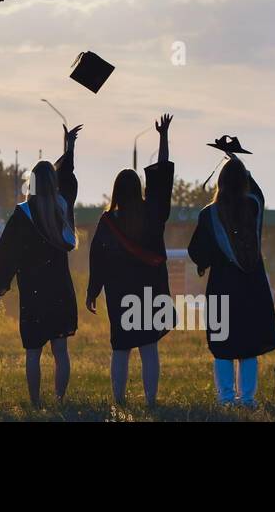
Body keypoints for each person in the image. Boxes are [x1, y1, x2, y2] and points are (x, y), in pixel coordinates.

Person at [0, 123, 82, 408]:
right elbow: (67, 179)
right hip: (60, 288)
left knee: (33, 351)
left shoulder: (22, 214)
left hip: (33, 291)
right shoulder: (62, 208)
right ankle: (60, 399)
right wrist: (69, 148)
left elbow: (6, 253)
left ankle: (36, 401)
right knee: (61, 350)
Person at [87, 114, 175, 407]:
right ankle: (151, 401)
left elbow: (96, 258)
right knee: (149, 348)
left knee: (121, 349)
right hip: (149, 292)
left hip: (120, 294)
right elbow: (162, 178)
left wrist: (92, 291)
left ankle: (119, 401)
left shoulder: (107, 222)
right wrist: (163, 137)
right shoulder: (152, 213)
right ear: (138, 190)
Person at [188, 156, 275, 407]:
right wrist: (237, 159)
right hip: (252, 285)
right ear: (244, 182)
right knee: (248, 343)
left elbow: (197, 250)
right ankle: (247, 398)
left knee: (222, 343)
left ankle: (226, 397)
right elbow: (259, 192)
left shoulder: (210, 214)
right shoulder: (254, 206)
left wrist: (203, 263)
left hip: (222, 284)